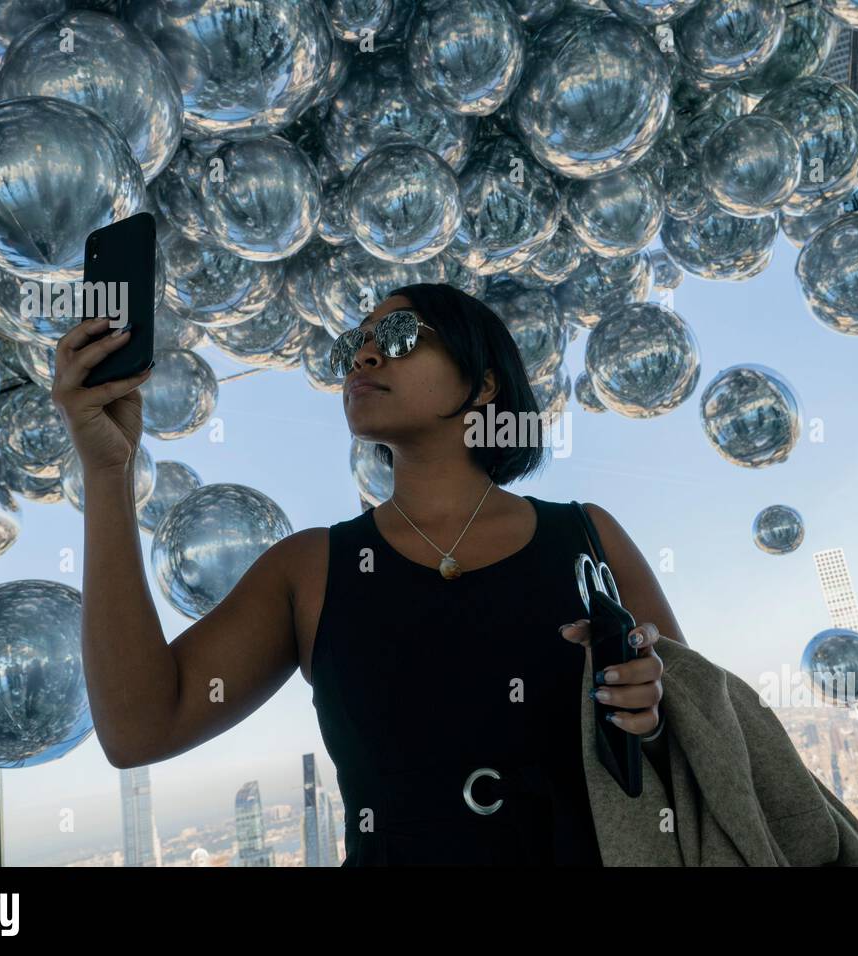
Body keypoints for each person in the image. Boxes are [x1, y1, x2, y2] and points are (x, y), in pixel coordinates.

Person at [52, 282, 686, 866]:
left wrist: (651, 714)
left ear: (485, 383)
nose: (364, 358)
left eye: (402, 337)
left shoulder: (590, 539)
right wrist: (108, 473)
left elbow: (701, 741)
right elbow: (139, 729)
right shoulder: (310, 569)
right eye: (354, 344)